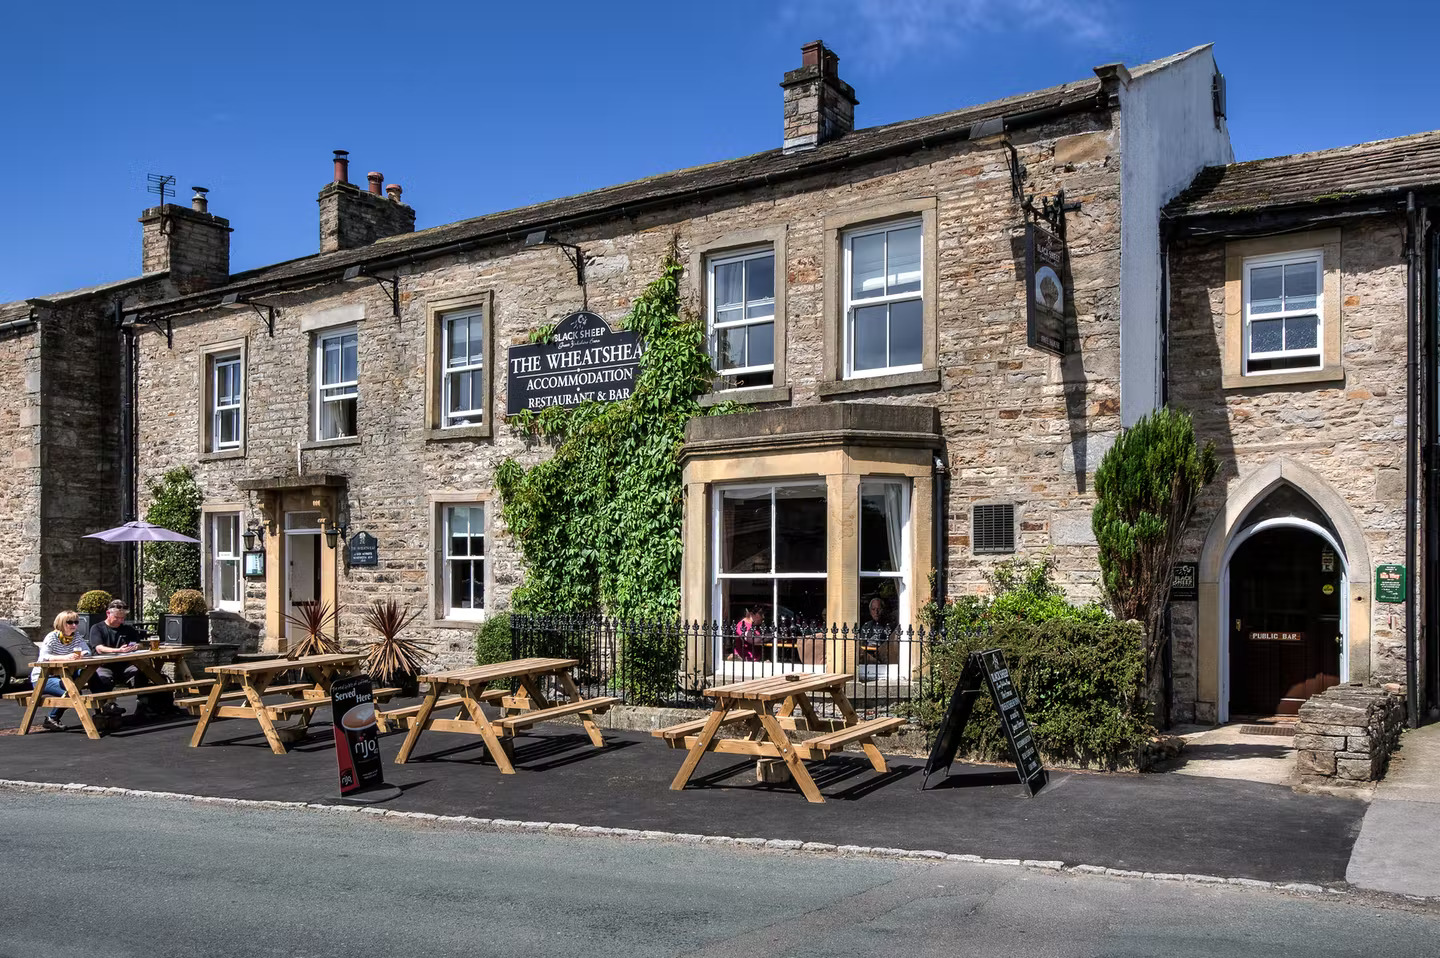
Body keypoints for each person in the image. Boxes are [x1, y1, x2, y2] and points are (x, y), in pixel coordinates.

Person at [87, 599, 175, 718]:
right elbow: (99, 648)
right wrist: (118, 650)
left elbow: (140, 644)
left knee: (141, 672)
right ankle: (105, 708)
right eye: (117, 617)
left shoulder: (127, 629)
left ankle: (143, 704)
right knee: (101, 678)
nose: (120, 620)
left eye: (122, 618)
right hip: (104, 664)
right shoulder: (97, 628)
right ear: (108, 613)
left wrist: (135, 647)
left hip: (125, 665)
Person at [31, 611, 94, 731]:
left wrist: (81, 655)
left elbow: (88, 651)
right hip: (44, 677)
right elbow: (45, 657)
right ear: (61, 623)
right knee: (73, 693)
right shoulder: (51, 637)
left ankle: (104, 708)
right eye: (70, 622)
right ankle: (52, 718)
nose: (74, 625)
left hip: (65, 674)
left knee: (92, 675)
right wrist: (65, 657)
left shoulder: (76, 636)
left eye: (76, 622)